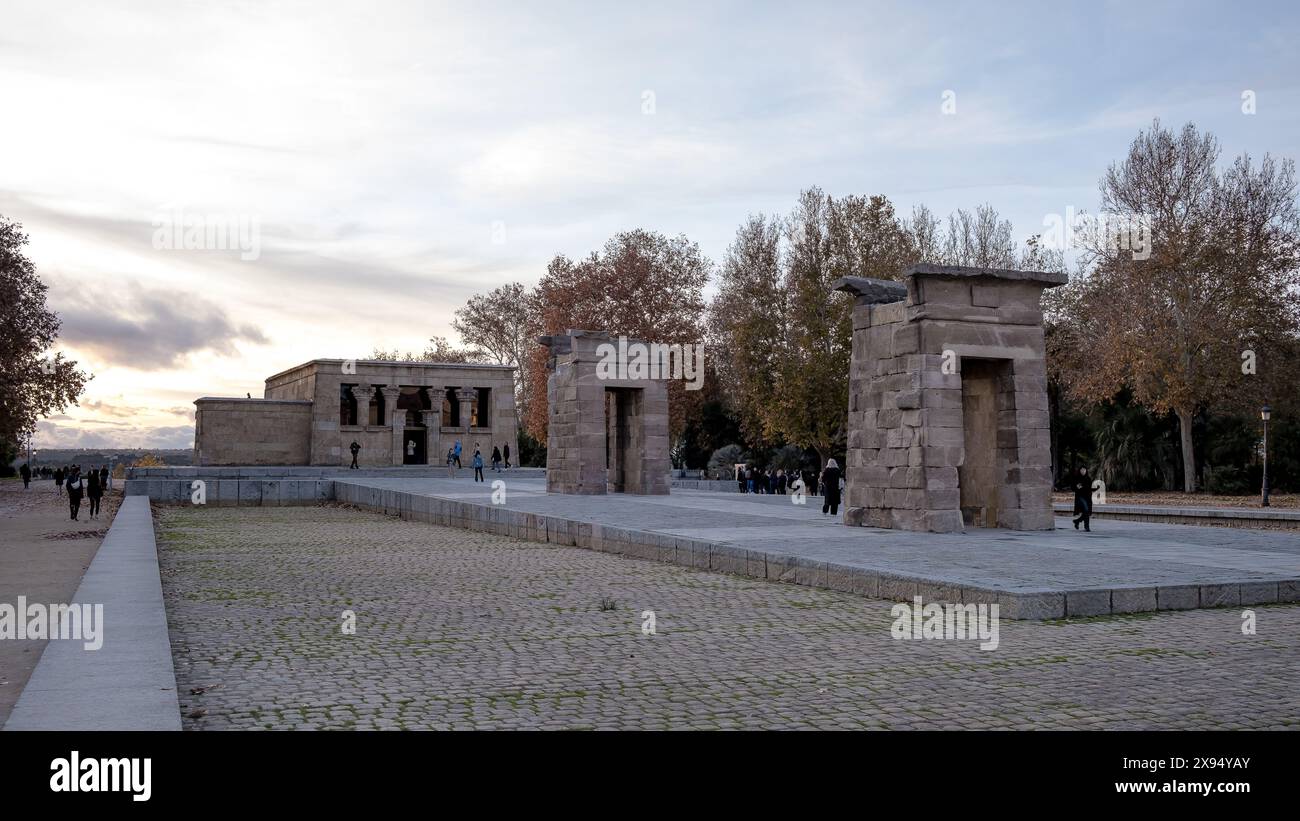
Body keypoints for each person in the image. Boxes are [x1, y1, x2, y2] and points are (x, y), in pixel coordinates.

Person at [1071, 466, 1094, 532]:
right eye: (1081, 470)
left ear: (1086, 471)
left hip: (1087, 497)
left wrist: (1095, 489)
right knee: (1086, 510)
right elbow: (1073, 487)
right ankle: (1085, 526)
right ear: (1079, 471)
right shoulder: (1076, 478)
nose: (1083, 471)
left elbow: (1089, 488)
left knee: (1086, 511)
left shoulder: (1088, 478)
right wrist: (1077, 487)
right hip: (1080, 497)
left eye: (1084, 470)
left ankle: (1078, 522)